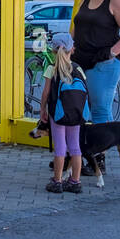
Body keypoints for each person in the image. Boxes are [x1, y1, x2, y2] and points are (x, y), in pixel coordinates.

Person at [36, 32, 84, 193]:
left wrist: (42, 109)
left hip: (57, 114)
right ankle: (75, 182)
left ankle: (57, 181)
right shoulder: (78, 69)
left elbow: (46, 92)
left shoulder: (52, 69)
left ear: (54, 51)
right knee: (75, 146)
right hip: (76, 114)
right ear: (72, 49)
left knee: (60, 147)